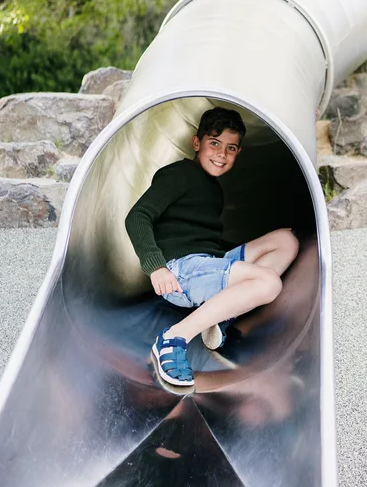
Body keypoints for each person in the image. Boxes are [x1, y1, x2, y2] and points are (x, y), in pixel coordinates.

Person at [124, 107, 299, 389]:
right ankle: (173, 338)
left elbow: (206, 241)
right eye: (214, 143)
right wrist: (155, 266)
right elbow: (138, 216)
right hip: (181, 271)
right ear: (197, 143)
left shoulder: (214, 190)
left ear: (238, 153)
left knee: (286, 241)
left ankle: (218, 319)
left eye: (230, 148)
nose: (221, 153)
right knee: (268, 283)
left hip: (208, 263)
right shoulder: (178, 174)